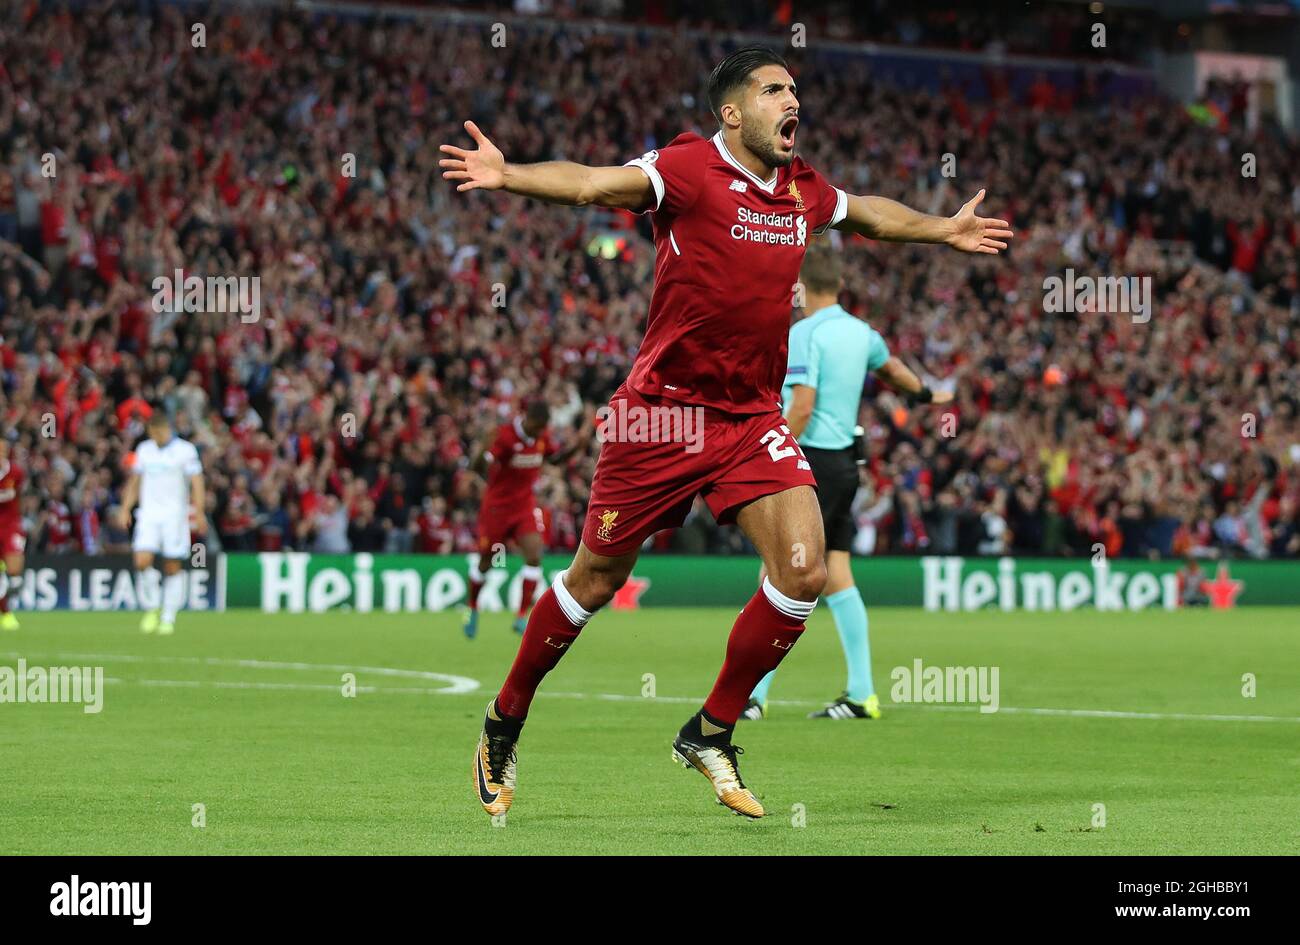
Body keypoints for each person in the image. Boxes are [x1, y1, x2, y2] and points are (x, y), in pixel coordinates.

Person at [440, 44, 1012, 819]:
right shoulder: (685, 169)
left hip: (748, 418)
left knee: (804, 568)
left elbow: (869, 214)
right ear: (732, 111)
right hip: (660, 416)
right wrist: (509, 175)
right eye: (775, 90)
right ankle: (504, 718)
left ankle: (710, 730)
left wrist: (943, 229)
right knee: (593, 582)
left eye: (795, 89)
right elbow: (590, 184)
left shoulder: (802, 187)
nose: (793, 102)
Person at [741, 240, 952, 722]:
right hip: (845, 468)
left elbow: (802, 406)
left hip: (809, 461)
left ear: (800, 288)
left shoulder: (805, 334)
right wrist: (924, 393)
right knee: (835, 575)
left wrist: (765, 455)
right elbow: (891, 367)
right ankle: (861, 694)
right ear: (838, 285)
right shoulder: (863, 332)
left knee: (778, 572)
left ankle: (752, 695)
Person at [463, 400, 589, 637]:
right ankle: (472, 608)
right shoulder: (505, 437)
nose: (541, 432)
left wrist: (576, 448)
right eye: (538, 426)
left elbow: (554, 459)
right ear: (527, 419)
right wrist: (482, 449)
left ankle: (521, 616)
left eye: (543, 427)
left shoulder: (540, 437)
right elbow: (479, 467)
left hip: (524, 507)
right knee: (487, 562)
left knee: (534, 556)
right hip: (497, 510)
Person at [118, 411, 206, 635]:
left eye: (158, 432)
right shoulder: (144, 450)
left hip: (175, 517)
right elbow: (135, 481)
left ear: (167, 429)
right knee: (141, 560)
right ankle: (152, 605)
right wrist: (126, 508)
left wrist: (199, 512)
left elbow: (196, 482)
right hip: (148, 515)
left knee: (172, 566)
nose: (155, 436)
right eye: (152, 433)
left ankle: (168, 616)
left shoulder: (185, 451)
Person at [0, 438, 27, 630]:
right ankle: (6, 613)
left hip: (10, 525)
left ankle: (11, 589)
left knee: (15, 570)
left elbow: (18, 496)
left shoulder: (16, 472)